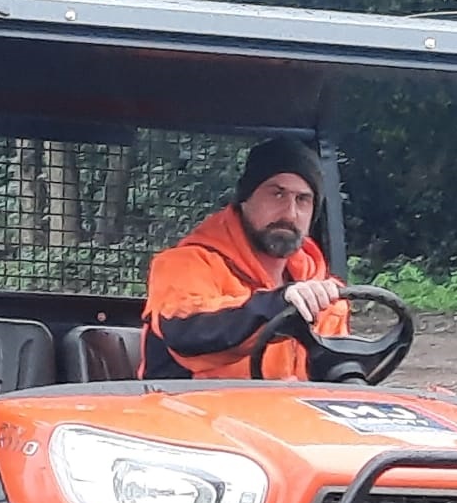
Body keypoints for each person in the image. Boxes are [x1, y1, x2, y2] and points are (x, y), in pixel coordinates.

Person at [140, 136, 350, 380]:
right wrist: (277, 305)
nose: (290, 213)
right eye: (277, 194)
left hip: (287, 405)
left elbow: (337, 373)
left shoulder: (324, 291)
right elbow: (186, 332)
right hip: (186, 404)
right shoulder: (184, 265)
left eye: (302, 199)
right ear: (245, 198)